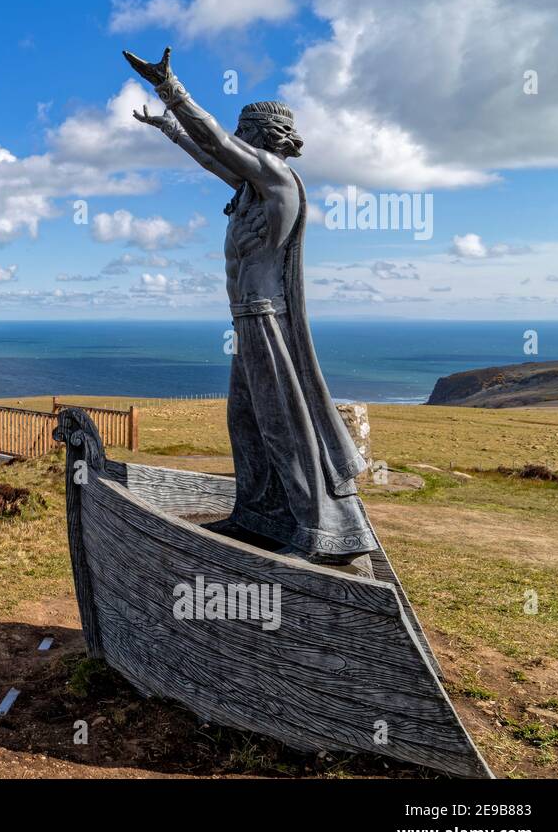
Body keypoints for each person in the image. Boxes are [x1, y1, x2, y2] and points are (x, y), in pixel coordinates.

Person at [124, 46, 379, 565]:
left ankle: (327, 533)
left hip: (265, 318)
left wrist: (172, 90)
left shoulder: (277, 178)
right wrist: (170, 130)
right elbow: (212, 153)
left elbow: (216, 141)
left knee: (283, 422)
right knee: (246, 421)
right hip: (247, 320)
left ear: (263, 138)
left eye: (244, 132)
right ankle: (260, 514)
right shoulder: (250, 189)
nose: (236, 140)